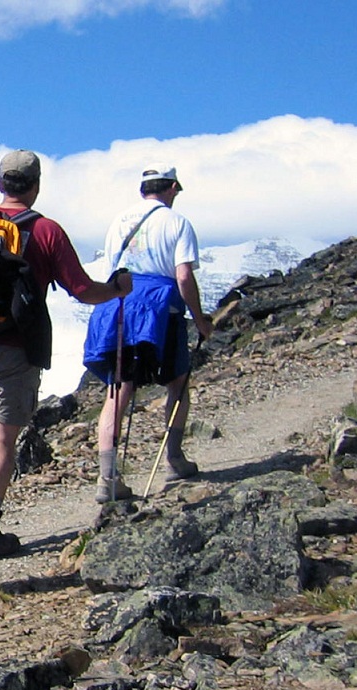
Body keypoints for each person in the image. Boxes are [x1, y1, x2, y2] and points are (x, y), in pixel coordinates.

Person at [0, 151, 131, 561]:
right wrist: (116, 289)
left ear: (0, 183)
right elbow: (82, 289)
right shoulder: (45, 230)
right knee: (1, 437)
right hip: (11, 343)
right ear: (36, 185)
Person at [84, 164, 212, 502]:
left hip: (118, 306)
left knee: (118, 389)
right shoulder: (177, 223)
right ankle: (174, 458)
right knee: (177, 381)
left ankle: (108, 477)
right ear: (172, 188)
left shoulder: (119, 220)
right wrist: (200, 319)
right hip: (159, 310)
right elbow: (183, 276)